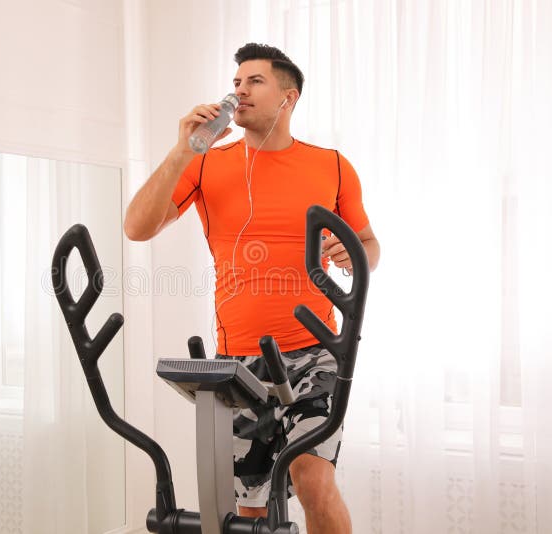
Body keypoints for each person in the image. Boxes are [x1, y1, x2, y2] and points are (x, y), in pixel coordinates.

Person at [123, 43, 380, 534]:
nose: (238, 91)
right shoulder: (205, 164)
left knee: (312, 482)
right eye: (236, 82)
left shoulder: (333, 166)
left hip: (315, 353)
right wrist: (185, 148)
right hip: (240, 364)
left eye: (254, 81)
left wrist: (357, 254)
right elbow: (137, 227)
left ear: (289, 97)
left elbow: (368, 243)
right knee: (249, 512)